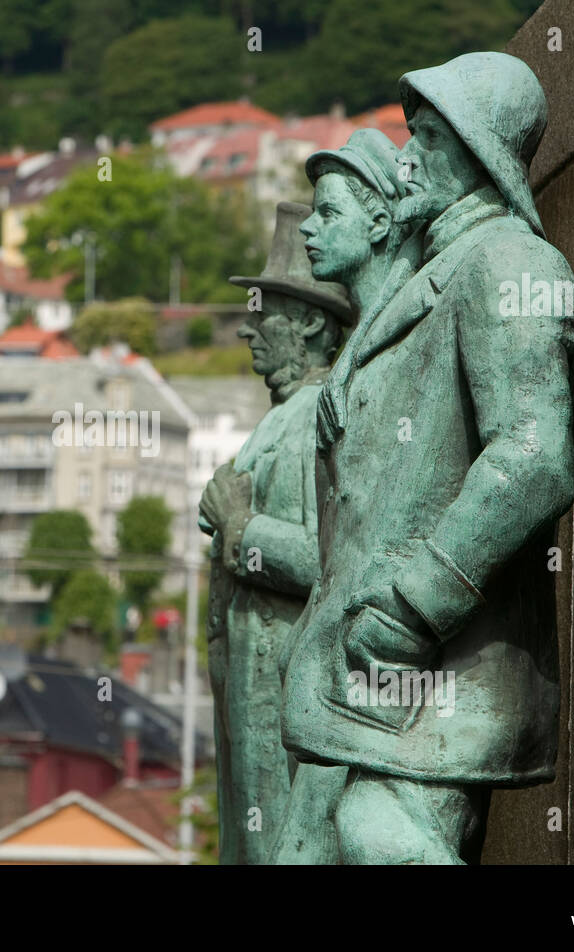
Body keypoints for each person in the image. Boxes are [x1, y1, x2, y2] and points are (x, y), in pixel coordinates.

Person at [279, 52, 574, 864]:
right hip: (384, 676)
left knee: (382, 844)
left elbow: (534, 456)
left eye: (423, 135)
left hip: (435, 666)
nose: (405, 155)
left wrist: (414, 606)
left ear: (476, 148)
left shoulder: (508, 262)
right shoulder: (443, 269)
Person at [270, 128, 407, 864]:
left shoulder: (417, 321)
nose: (311, 229)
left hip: (385, 656)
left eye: (327, 212)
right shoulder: (368, 340)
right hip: (334, 661)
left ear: (381, 222)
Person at [200, 200, 350, 864]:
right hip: (250, 683)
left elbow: (333, 559)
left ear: (312, 321)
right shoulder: (280, 419)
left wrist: (240, 527)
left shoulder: (321, 411)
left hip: (287, 682)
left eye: (264, 313)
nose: (246, 330)